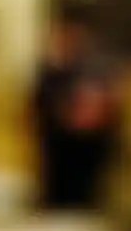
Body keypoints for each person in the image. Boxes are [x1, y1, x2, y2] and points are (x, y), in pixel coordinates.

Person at [31, 11, 123, 212]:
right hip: (60, 152)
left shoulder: (100, 69)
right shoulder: (52, 71)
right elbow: (41, 109)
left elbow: (111, 110)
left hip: (89, 153)